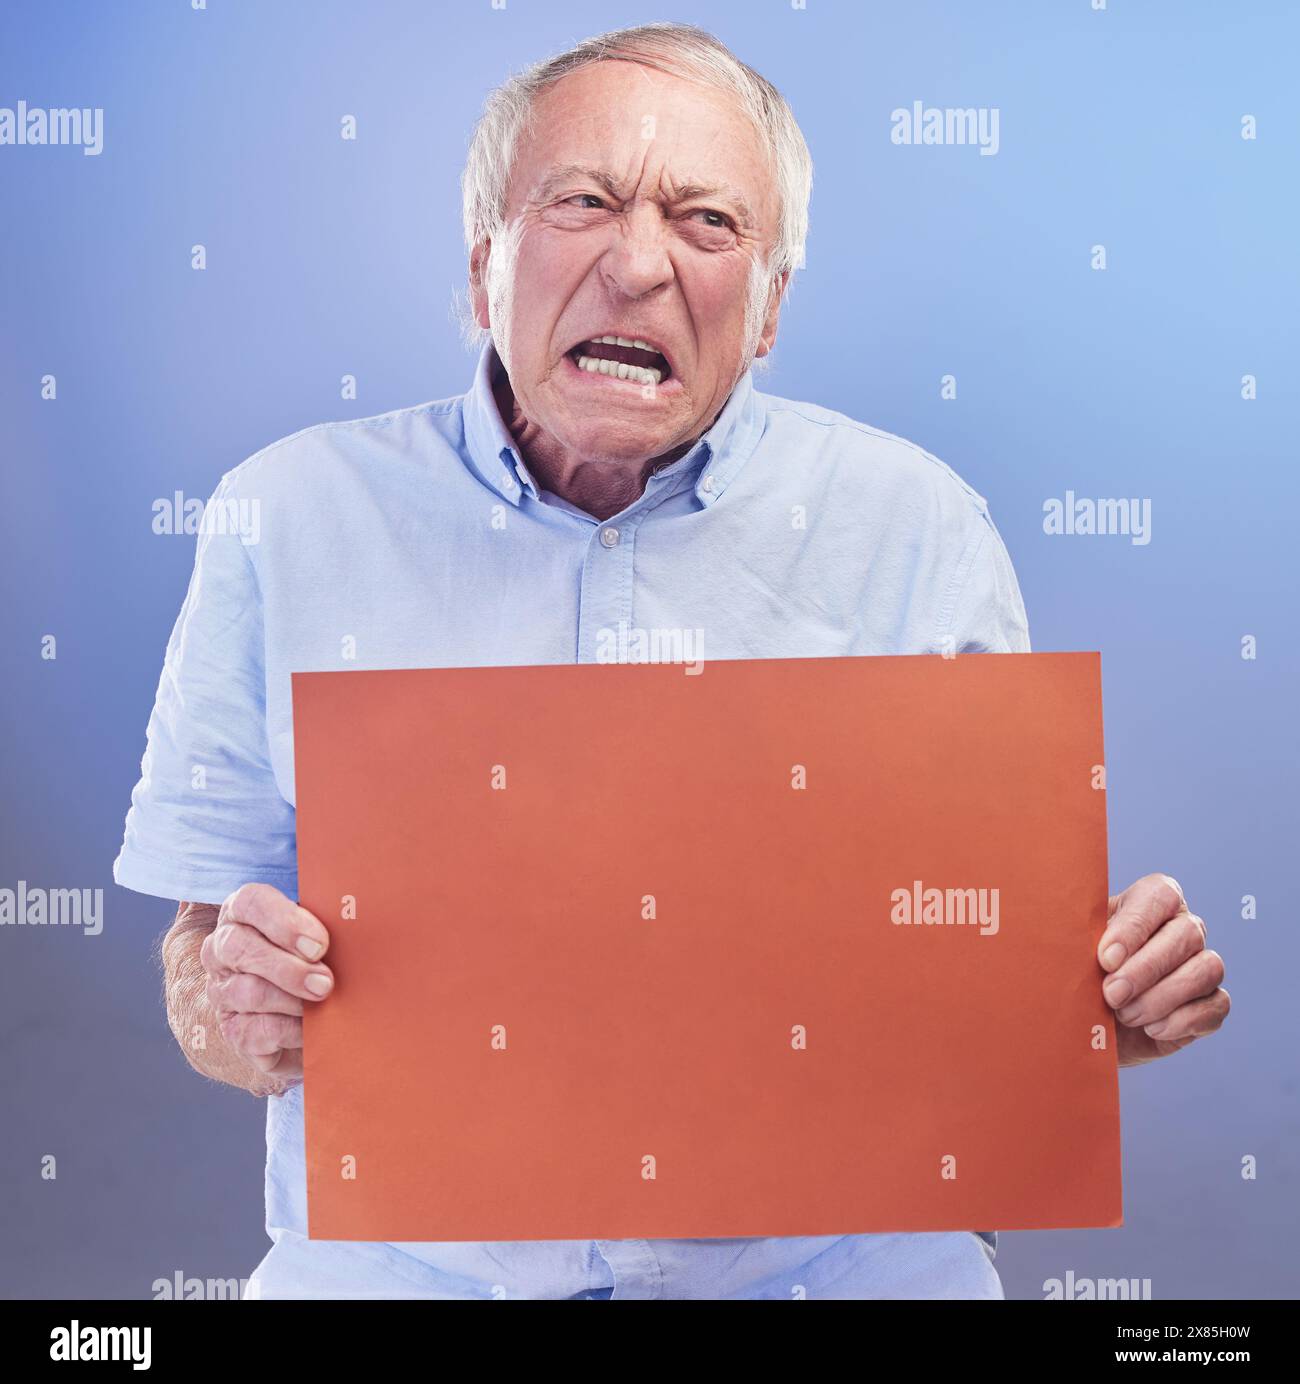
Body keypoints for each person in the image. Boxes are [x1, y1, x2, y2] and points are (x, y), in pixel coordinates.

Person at [114, 22, 1229, 1300]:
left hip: (830, 1259)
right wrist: (237, 1015)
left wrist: (1096, 1015)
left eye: (707, 223)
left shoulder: (916, 525)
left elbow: (985, 978)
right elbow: (202, 946)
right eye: (580, 201)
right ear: (484, 264)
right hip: (413, 1265)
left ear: (768, 309)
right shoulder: (289, 511)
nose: (638, 264)